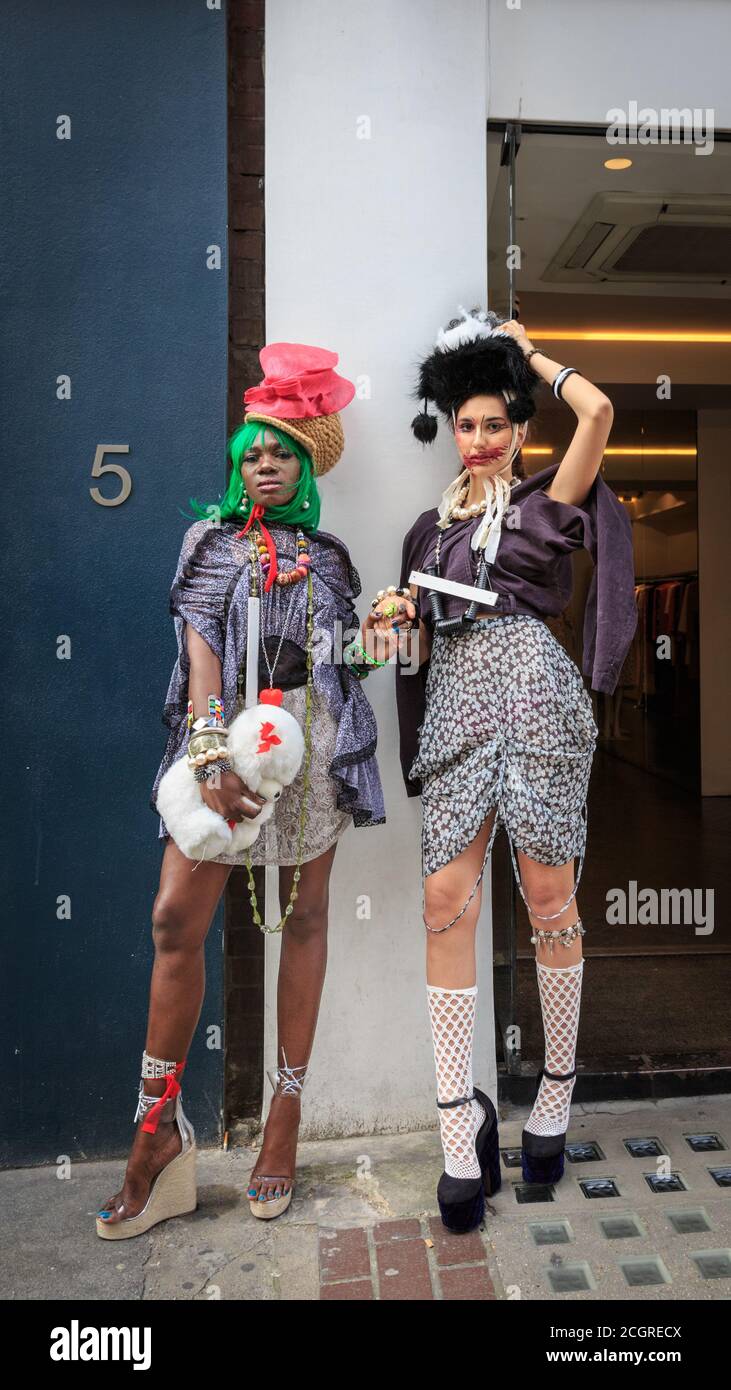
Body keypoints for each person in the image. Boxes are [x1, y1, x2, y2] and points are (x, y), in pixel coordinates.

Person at [95, 342, 386, 1238]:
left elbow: (343, 667)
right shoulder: (209, 545)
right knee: (175, 920)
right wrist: (211, 758)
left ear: (305, 466)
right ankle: (156, 1134)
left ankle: (285, 1118)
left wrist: (379, 634)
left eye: (280, 453)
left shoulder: (330, 558)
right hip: (222, 748)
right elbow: (200, 659)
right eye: (250, 453)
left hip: (312, 752)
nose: (262, 465)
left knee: (302, 917)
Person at [370, 308, 636, 1233]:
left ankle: (555, 1094)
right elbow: (410, 646)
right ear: (452, 432)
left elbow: (597, 411)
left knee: (549, 892)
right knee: (447, 896)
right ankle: (460, 1124)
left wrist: (522, 354)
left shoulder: (545, 503)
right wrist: (390, 626)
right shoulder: (421, 532)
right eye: (466, 425)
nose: (478, 440)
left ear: (518, 431)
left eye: (494, 423)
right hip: (455, 708)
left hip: (539, 702)